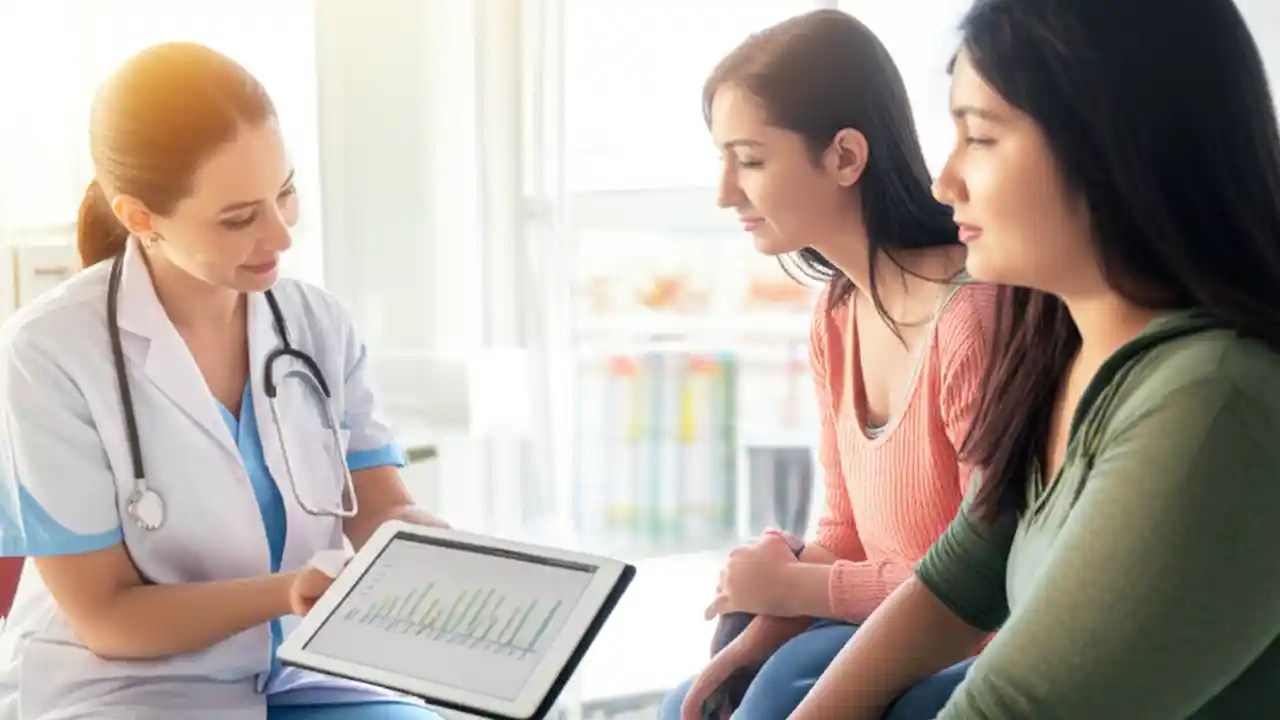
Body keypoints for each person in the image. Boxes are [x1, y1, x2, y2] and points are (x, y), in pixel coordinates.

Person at [791, 0, 1280, 717]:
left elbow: (1013, 708)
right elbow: (954, 586)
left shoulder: (1215, 401)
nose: (944, 182)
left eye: (980, 137)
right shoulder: (1059, 351)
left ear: (1114, 143)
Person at [0, 43, 447, 719]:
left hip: (293, 673)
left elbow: (383, 507)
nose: (280, 236)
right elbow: (109, 620)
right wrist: (289, 591)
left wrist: (442, 552)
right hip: (118, 691)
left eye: (286, 193)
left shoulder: (316, 325)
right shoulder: (50, 354)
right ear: (140, 219)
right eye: (240, 218)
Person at [660, 10, 996, 720]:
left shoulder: (971, 318)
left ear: (845, 157)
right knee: (687, 705)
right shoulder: (837, 314)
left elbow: (981, 585)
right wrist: (748, 643)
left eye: (749, 159)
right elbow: (843, 534)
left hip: (965, 649)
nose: (725, 191)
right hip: (872, 627)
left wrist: (790, 589)